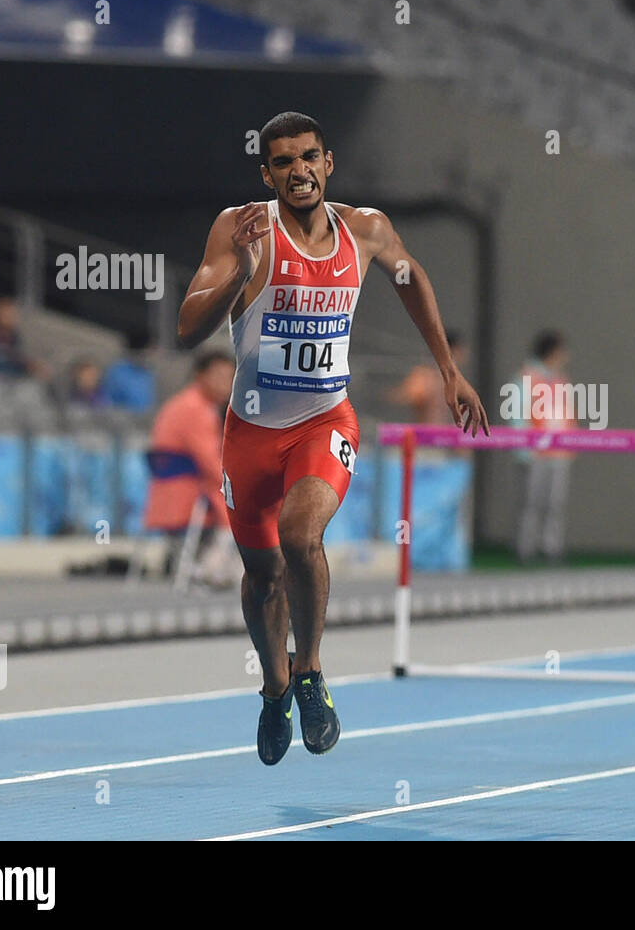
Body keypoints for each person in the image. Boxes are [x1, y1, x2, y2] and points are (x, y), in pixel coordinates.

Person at [177, 111, 489, 765]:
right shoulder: (240, 228)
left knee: (301, 535)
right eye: (283, 162)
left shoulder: (366, 229)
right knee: (261, 574)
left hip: (325, 421)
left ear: (328, 162)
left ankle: (312, 670)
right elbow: (188, 323)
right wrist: (241, 267)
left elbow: (412, 280)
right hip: (251, 434)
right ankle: (274, 686)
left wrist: (449, 371)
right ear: (268, 174)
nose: (298, 171)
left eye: (308, 157)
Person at [141, 351, 237, 585]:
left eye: (229, 377)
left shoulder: (184, 403)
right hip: (188, 492)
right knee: (240, 500)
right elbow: (210, 463)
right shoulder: (196, 410)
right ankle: (208, 569)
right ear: (199, 376)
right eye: (219, 376)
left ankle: (207, 565)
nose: (225, 384)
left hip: (168, 488)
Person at [513, 330, 575, 564]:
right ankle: (525, 548)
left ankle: (551, 547)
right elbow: (518, 413)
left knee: (555, 503)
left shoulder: (560, 379)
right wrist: (523, 447)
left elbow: (566, 414)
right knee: (531, 501)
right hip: (535, 451)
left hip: (559, 451)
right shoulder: (528, 376)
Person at [385, 329, 470, 425]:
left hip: (449, 435)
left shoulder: (457, 381)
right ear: (455, 350)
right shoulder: (425, 376)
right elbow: (408, 395)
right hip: (428, 435)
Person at [101, 328, 157, 413]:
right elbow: (108, 403)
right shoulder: (117, 372)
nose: (152, 354)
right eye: (150, 349)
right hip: (122, 422)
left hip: (145, 421)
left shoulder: (148, 373)